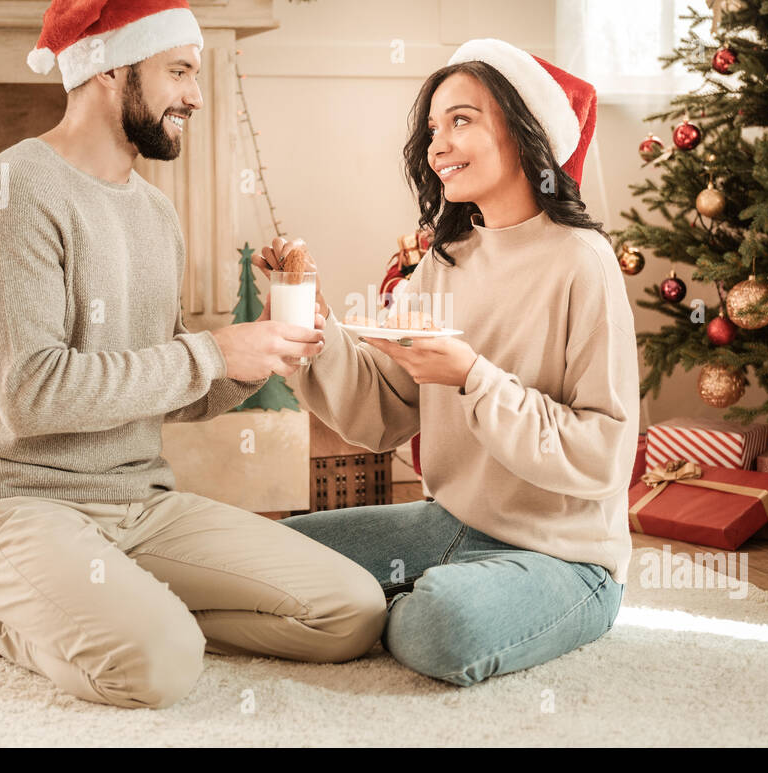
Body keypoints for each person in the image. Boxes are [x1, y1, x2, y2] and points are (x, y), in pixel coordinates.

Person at [0, 0, 387, 710]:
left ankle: (128, 612)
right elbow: (34, 396)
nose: (195, 97)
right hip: (9, 505)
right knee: (159, 668)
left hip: (138, 505)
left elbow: (161, 392)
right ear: (110, 67)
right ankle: (33, 629)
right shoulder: (13, 193)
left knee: (351, 612)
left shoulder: (153, 214)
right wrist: (211, 352)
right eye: (178, 72)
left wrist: (260, 350)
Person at [258, 38, 640, 687]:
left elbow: (603, 452)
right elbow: (385, 412)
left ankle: (395, 602)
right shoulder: (445, 260)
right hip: (451, 524)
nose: (437, 145)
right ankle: (397, 593)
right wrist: (312, 324)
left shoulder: (583, 261)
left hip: (564, 558)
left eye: (461, 119)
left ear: (524, 130)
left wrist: (472, 378)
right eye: (433, 127)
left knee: (440, 625)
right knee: (265, 558)